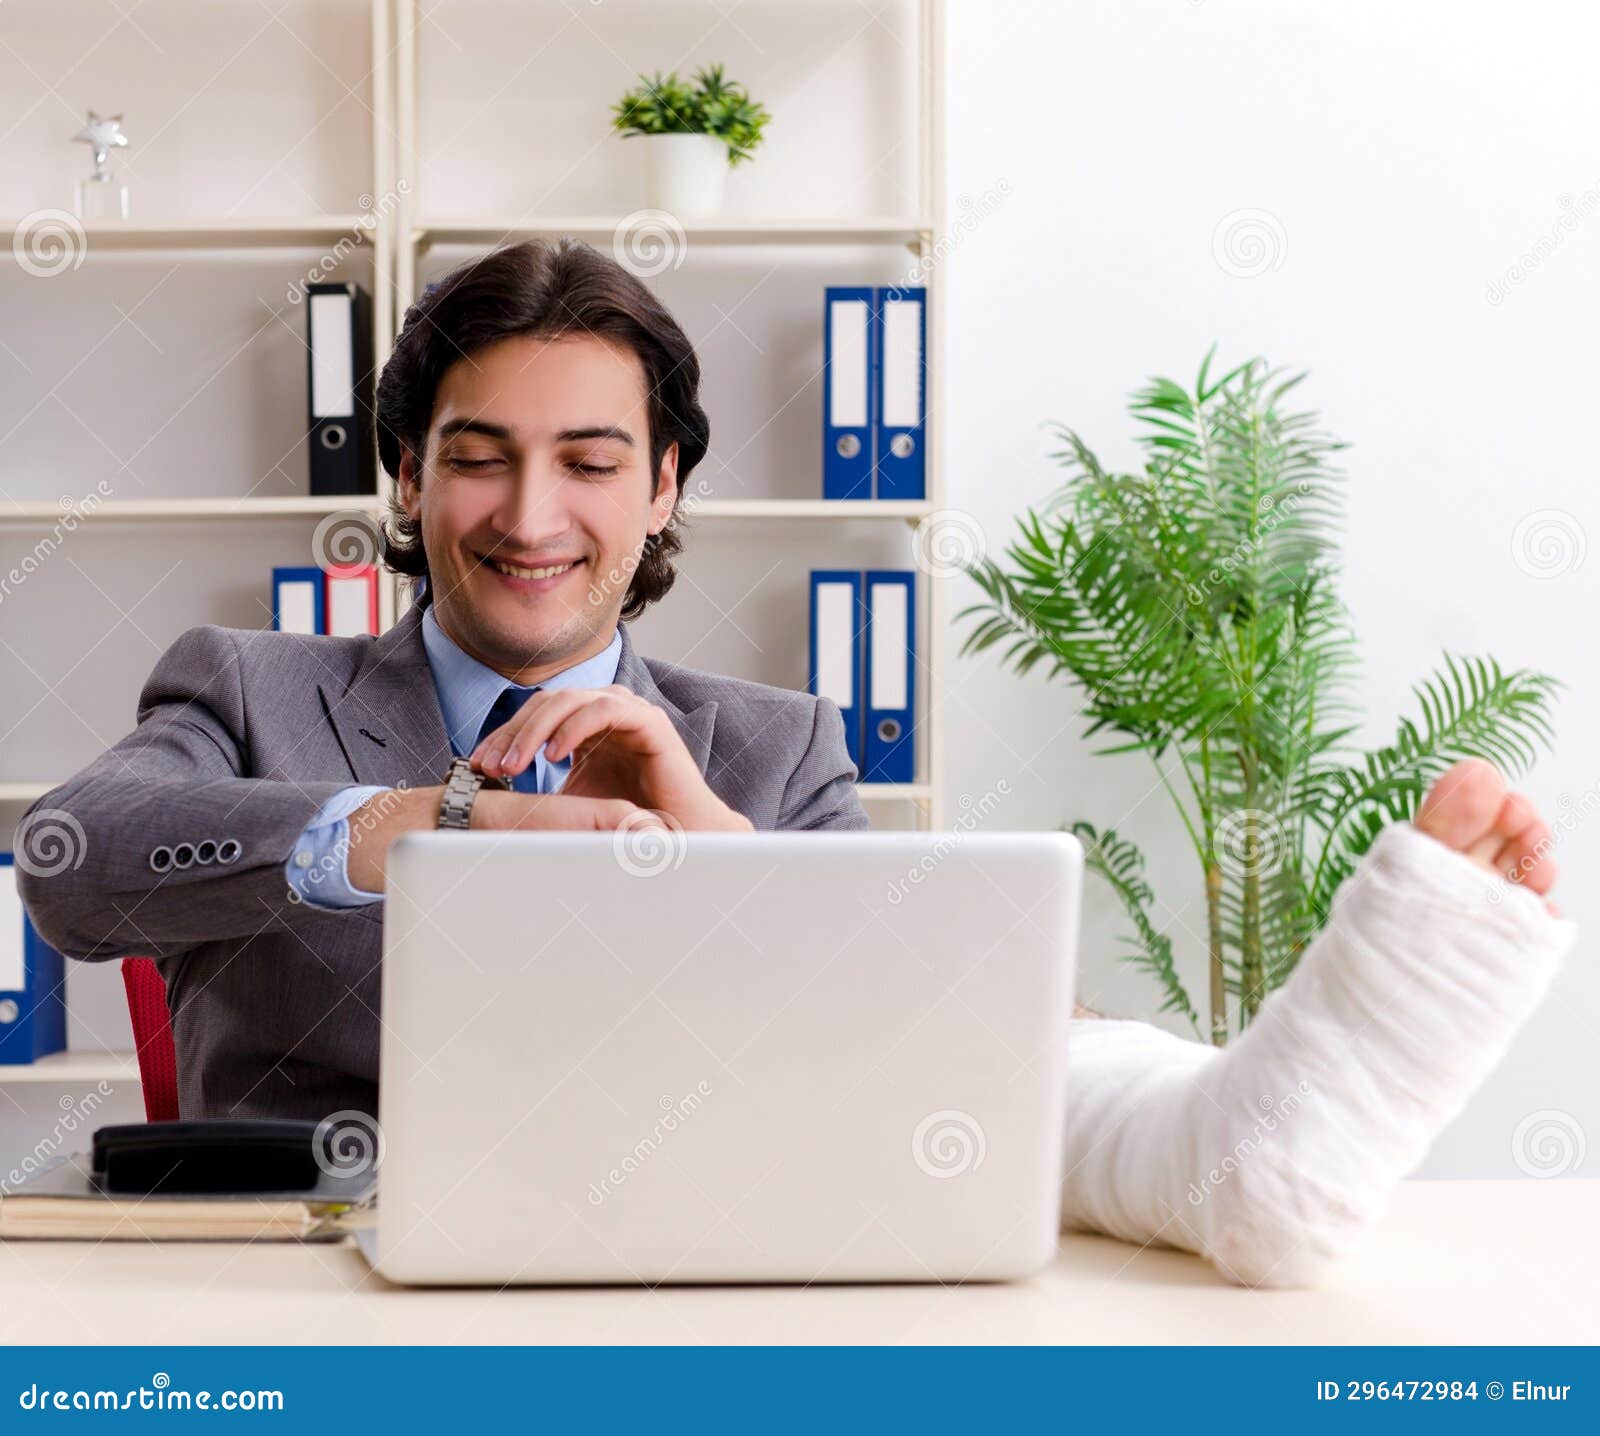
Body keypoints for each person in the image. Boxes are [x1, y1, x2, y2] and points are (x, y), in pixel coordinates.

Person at [16, 241, 1575, 1288]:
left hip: (707, 1270)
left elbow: (911, 1038)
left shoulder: (775, 746)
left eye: (591, 459)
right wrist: (434, 821)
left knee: (1003, 1025)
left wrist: (710, 848)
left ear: (668, 483)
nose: (529, 513)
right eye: (478, 455)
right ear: (408, 477)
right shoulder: (250, 684)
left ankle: (1240, 1147)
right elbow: (74, 861)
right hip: (337, 1282)